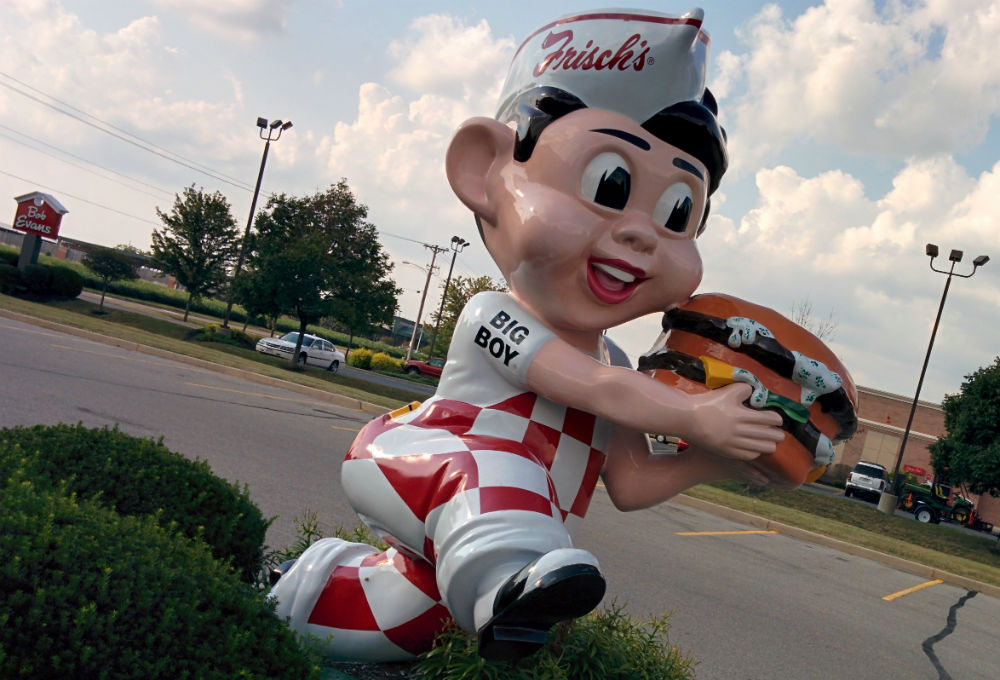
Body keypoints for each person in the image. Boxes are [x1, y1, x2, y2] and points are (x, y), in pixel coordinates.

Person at [270, 7, 784, 663]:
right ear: (484, 172)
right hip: (420, 462)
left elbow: (628, 484)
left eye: (677, 211)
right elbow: (591, 386)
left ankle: (299, 590)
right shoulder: (495, 316)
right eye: (609, 184)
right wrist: (693, 413)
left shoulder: (619, 363)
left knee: (405, 617)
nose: (641, 233)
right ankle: (506, 583)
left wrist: (718, 458)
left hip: (491, 538)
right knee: (498, 472)